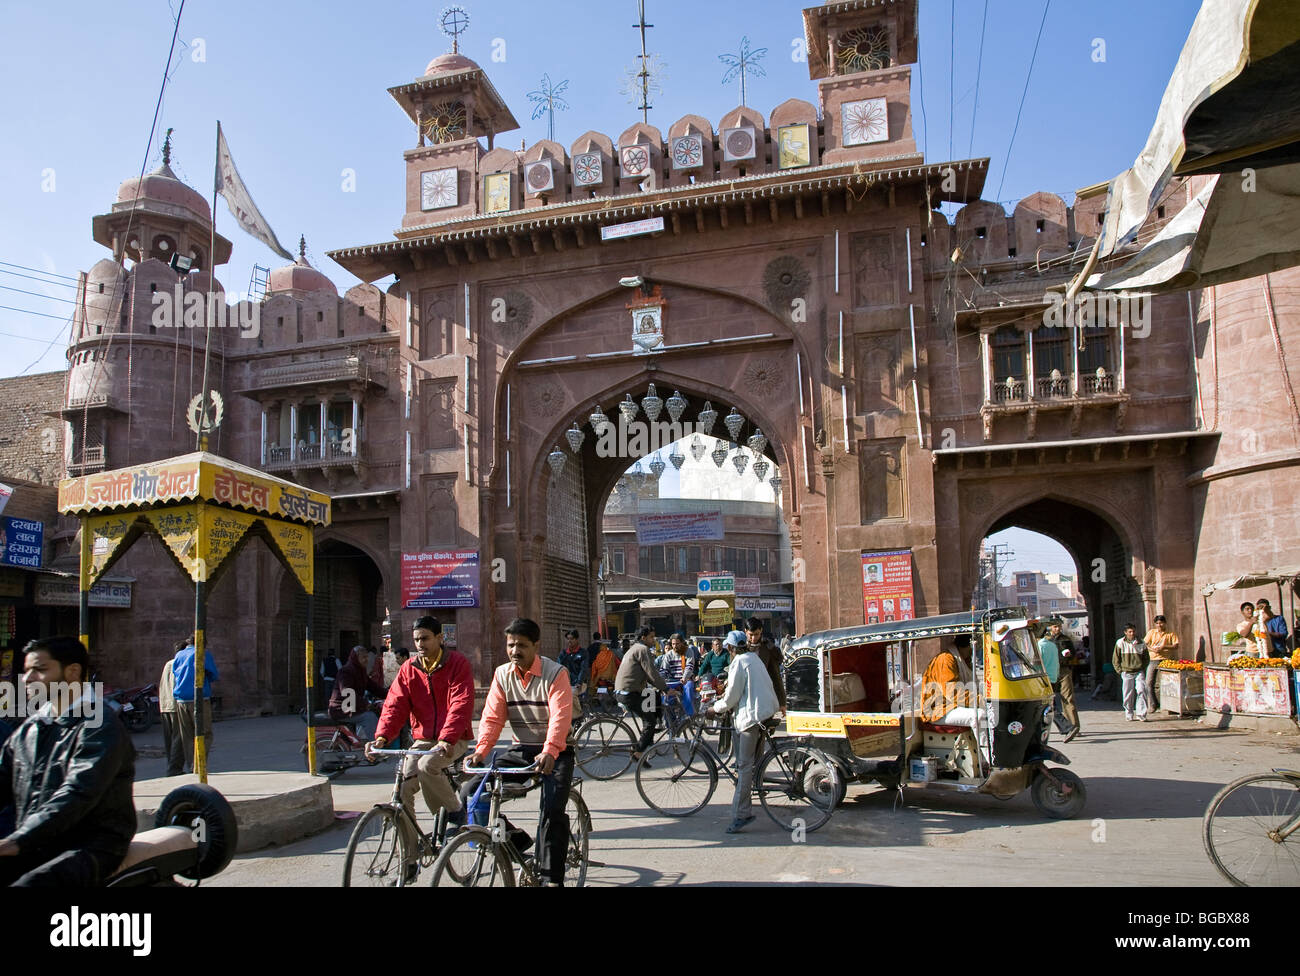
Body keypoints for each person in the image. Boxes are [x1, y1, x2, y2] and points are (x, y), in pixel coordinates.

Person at [0, 637, 136, 886]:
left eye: (39, 670)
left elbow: (77, 792)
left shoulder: (98, 725)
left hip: (89, 845)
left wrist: (19, 839)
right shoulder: (29, 728)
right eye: (26, 670)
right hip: (36, 842)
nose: (26, 678)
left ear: (72, 671)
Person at [468, 617, 575, 886]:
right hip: (523, 748)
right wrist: (480, 752)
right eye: (511, 645)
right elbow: (492, 718)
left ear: (536, 646)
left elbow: (560, 718)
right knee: (472, 792)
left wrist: (550, 751)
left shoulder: (555, 673)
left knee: (552, 811)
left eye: (522, 646)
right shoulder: (502, 674)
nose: (515, 651)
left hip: (558, 750)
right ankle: (517, 840)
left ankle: (552, 878)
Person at [367, 615, 474, 881]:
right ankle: (411, 858)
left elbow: (461, 704)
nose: (420, 644)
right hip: (423, 739)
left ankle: (454, 811)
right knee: (402, 788)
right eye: (416, 640)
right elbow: (395, 706)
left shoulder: (457, 664)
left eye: (425, 638)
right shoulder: (409, 669)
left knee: (428, 765)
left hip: (454, 738)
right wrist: (381, 737)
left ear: (440, 638)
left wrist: (447, 740)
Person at [706, 632, 779, 834]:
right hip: (764, 711)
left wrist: (715, 709)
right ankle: (753, 791)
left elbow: (732, 698)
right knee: (753, 762)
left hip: (752, 716)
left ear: (730, 648)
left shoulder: (739, 662)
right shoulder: (753, 658)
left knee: (744, 765)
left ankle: (741, 814)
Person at [615, 626, 678, 760]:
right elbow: (652, 673)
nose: (653, 640)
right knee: (650, 722)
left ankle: (648, 740)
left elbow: (649, 676)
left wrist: (660, 688)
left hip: (626, 690)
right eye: (651, 637)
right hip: (629, 693)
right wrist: (666, 689)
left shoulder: (634, 649)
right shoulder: (643, 650)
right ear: (643, 638)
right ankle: (638, 753)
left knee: (653, 696)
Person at [171, 635, 217, 772]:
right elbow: (214, 675)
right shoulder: (203, 654)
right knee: (204, 732)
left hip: (181, 699)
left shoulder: (179, 655)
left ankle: (191, 763)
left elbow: (175, 672)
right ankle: (198, 763)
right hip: (199, 698)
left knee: (187, 735)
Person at [329, 646, 386, 740]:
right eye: (363, 657)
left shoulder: (361, 671)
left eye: (367, 657)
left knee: (378, 712)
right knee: (369, 717)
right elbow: (347, 692)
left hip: (353, 707)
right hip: (341, 709)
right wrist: (365, 704)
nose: (366, 660)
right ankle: (377, 746)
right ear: (355, 658)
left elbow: (374, 687)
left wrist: (391, 694)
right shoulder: (346, 671)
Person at [920, 634, 976, 725]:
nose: (972, 652)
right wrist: (979, 700)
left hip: (951, 706)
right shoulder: (946, 659)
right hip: (938, 710)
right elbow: (953, 693)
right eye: (971, 649)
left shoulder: (963, 660)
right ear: (966, 646)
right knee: (979, 716)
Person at [743, 618, 786, 713]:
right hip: (744, 696)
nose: (754, 638)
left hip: (762, 695)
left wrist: (782, 703)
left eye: (756, 634)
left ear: (761, 631)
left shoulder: (767, 649)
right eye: (751, 635)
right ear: (745, 631)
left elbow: (776, 677)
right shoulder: (739, 649)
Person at [1047, 618, 1081, 742]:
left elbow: (1073, 653)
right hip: (1050, 672)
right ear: (1050, 627)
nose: (1058, 629)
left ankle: (1074, 727)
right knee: (1049, 702)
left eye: (1059, 626)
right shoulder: (1045, 640)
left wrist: (1069, 655)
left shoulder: (1065, 639)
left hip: (1064, 670)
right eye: (1055, 626)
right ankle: (1064, 726)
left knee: (1068, 698)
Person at [1112, 624, 1149, 721]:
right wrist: (1119, 670)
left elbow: (1146, 658)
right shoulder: (1120, 643)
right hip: (1126, 672)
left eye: (1133, 631)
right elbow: (1116, 659)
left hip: (1139, 671)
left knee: (1141, 690)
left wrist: (1142, 667)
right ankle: (1129, 713)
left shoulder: (1141, 643)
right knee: (1128, 694)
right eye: (1130, 632)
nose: (1132, 633)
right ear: (1125, 632)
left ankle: (1141, 714)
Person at [158, 640, 185, 776]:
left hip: (164, 704)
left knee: (169, 739)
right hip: (175, 704)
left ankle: (171, 764)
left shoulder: (168, 664)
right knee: (178, 738)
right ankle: (174, 768)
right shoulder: (180, 663)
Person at [1142, 615, 1180, 710]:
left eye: (1161, 623)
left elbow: (1176, 646)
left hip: (1166, 660)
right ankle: (1153, 703)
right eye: (1157, 623)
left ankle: (1168, 705)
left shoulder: (1170, 634)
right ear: (1155, 624)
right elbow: (1145, 644)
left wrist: (1164, 647)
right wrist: (1153, 649)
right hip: (1153, 659)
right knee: (1148, 682)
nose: (1159, 625)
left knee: (1167, 683)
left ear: (1165, 623)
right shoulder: (1151, 632)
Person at [557, 630, 589, 718]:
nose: (569, 641)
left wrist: (579, 682)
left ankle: (579, 715)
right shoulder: (563, 653)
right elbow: (558, 667)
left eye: (572, 639)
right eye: (568, 639)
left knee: (571, 693)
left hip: (580, 684)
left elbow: (584, 669)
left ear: (577, 639)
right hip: (565, 683)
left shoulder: (583, 653)